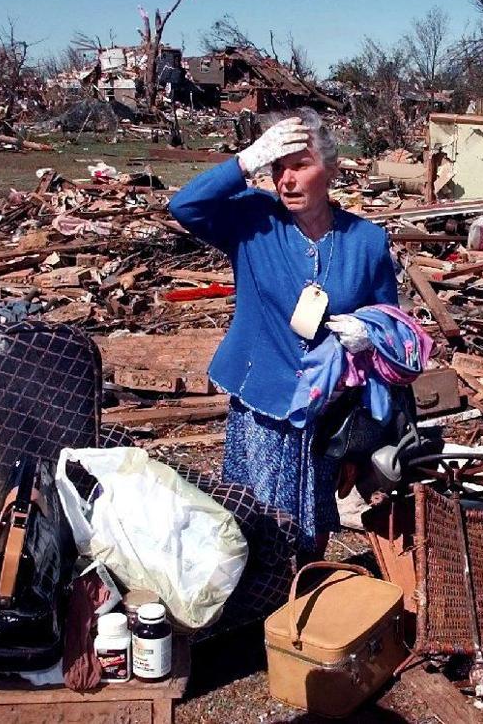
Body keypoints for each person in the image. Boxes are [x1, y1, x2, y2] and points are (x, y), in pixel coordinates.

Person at [168, 108, 398, 564]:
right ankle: (258, 611)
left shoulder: (367, 240)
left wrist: (369, 334)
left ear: (330, 170)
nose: (287, 180)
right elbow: (184, 207)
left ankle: (301, 606)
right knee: (255, 522)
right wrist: (245, 162)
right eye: (278, 168)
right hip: (263, 401)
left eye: (300, 166)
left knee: (313, 519)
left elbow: (391, 325)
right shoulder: (254, 221)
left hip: (328, 411)